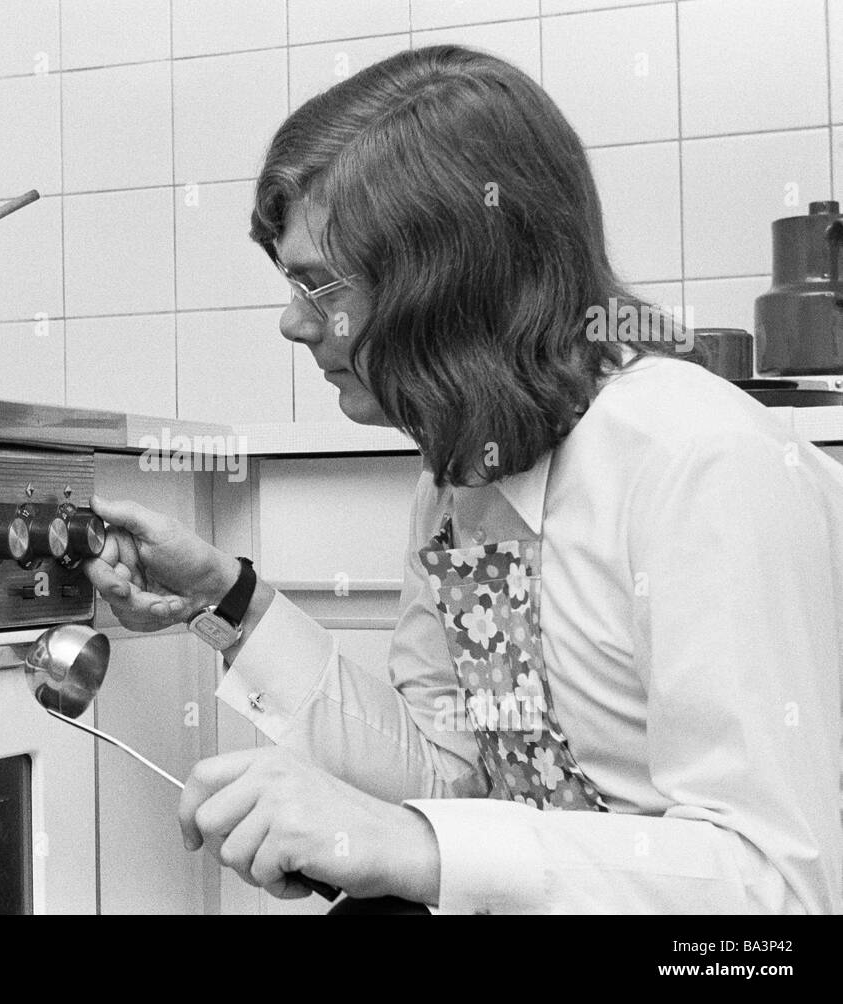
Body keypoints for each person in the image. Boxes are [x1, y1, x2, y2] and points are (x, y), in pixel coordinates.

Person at [83, 46, 843, 914]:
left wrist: (415, 848)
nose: (293, 323)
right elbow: (447, 772)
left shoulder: (702, 464)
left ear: (446, 277)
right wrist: (230, 600)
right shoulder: (456, 479)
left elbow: (779, 896)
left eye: (317, 284)